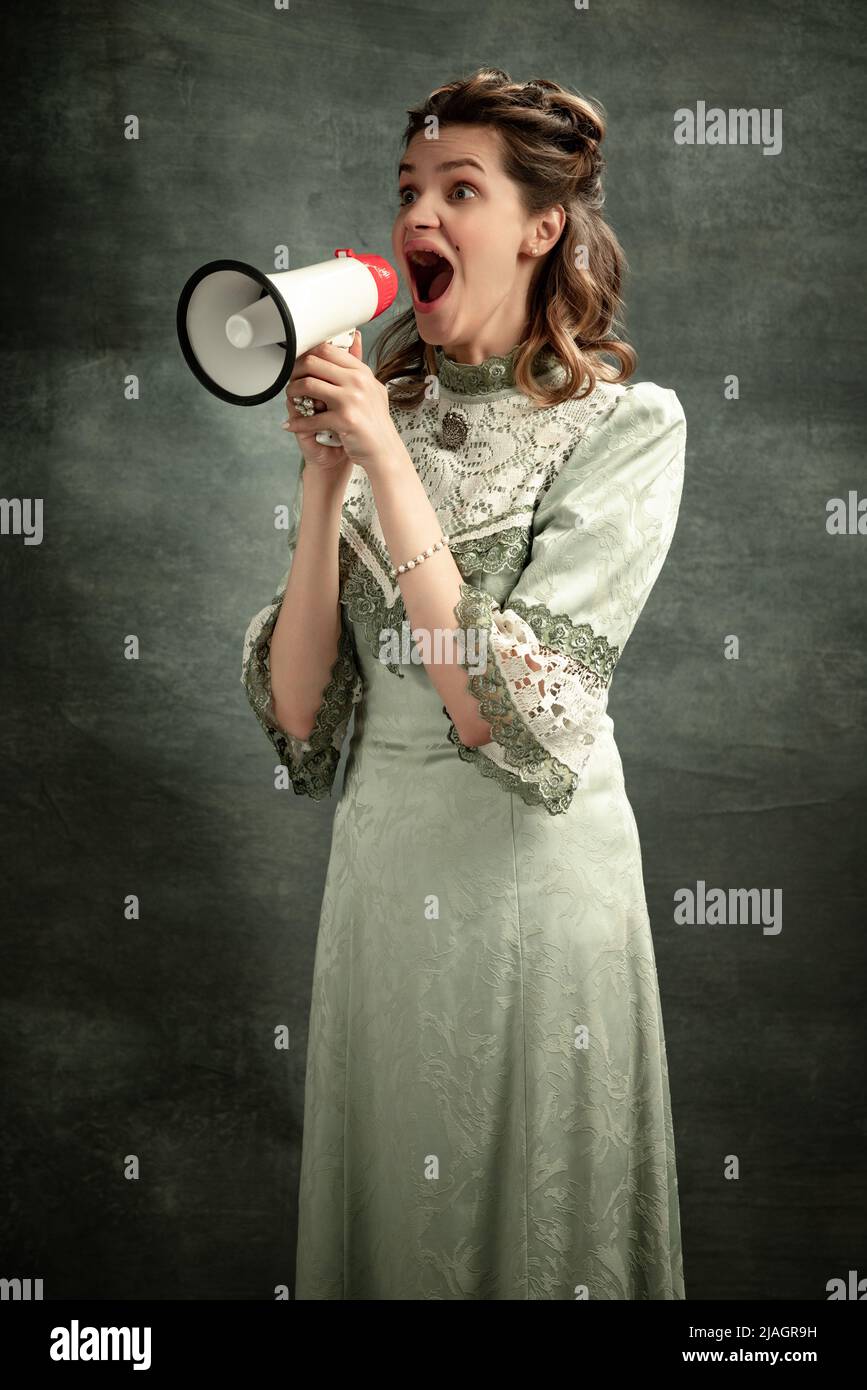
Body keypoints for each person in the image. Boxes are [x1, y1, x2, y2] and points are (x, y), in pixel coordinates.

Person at [241, 67, 687, 1300]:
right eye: (406, 190)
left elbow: (501, 703)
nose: (416, 217)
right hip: (385, 888)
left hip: (534, 894)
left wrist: (385, 462)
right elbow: (299, 712)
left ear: (543, 227)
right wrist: (330, 479)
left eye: (458, 189)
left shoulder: (626, 428)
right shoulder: (381, 416)